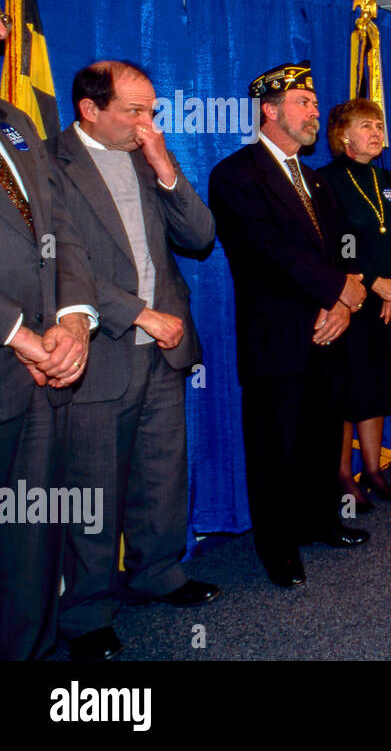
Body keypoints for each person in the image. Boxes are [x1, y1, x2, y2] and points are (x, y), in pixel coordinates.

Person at [49, 61, 218, 662]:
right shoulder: (51, 163)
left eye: (152, 110)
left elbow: (199, 237)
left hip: (165, 353)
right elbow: (59, 265)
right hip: (102, 351)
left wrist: (166, 168)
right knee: (93, 486)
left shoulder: (148, 159)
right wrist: (137, 313)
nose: (148, 123)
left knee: (161, 474)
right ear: (90, 109)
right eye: (135, 111)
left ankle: (159, 574)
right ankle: (87, 609)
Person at [208, 61, 369, 589]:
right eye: (304, 103)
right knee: (274, 446)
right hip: (276, 338)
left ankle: (319, 520)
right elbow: (265, 255)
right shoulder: (235, 175)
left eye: (315, 104)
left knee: (322, 437)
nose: (315, 112)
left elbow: (339, 252)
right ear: (270, 110)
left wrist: (343, 304)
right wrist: (335, 292)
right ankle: (276, 547)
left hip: (328, 332)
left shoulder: (317, 180)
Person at [0, 16, 96, 660]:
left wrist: (73, 320)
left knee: (30, 541)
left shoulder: (18, 122)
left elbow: (58, 227)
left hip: (43, 375)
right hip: (13, 355)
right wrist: (16, 333)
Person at [319, 99, 391, 510]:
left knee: (377, 389)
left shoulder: (388, 181)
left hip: (387, 308)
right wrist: (377, 285)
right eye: (366, 126)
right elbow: (335, 246)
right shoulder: (326, 182)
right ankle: (344, 474)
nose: (377, 132)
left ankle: (374, 470)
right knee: (347, 394)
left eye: (379, 125)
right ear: (343, 136)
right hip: (351, 306)